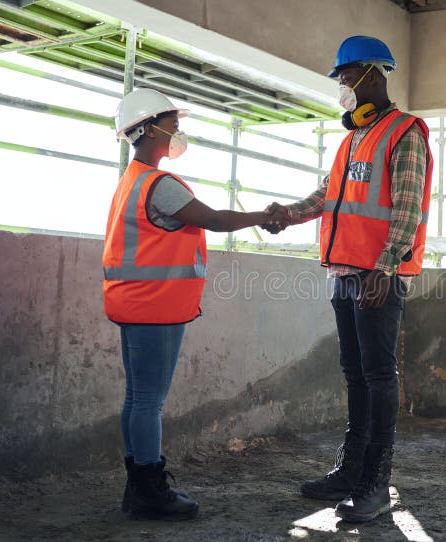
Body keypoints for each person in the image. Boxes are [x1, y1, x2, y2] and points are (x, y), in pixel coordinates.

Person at [264, 35, 433, 523]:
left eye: (346, 76)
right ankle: (351, 470)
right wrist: (288, 213)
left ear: (373, 75)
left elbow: (408, 207)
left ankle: (376, 483)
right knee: (355, 374)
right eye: (340, 78)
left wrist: (385, 266)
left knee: (379, 375)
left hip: (378, 275)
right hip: (345, 272)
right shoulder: (354, 138)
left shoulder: (404, 133)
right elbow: (328, 196)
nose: (342, 85)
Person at [103, 88, 288, 521]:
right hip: (156, 307)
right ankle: (150, 491)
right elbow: (215, 219)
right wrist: (265, 217)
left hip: (134, 304)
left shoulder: (131, 180)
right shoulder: (158, 184)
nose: (177, 130)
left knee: (137, 399)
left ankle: (138, 487)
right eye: (172, 123)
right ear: (149, 130)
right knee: (148, 402)